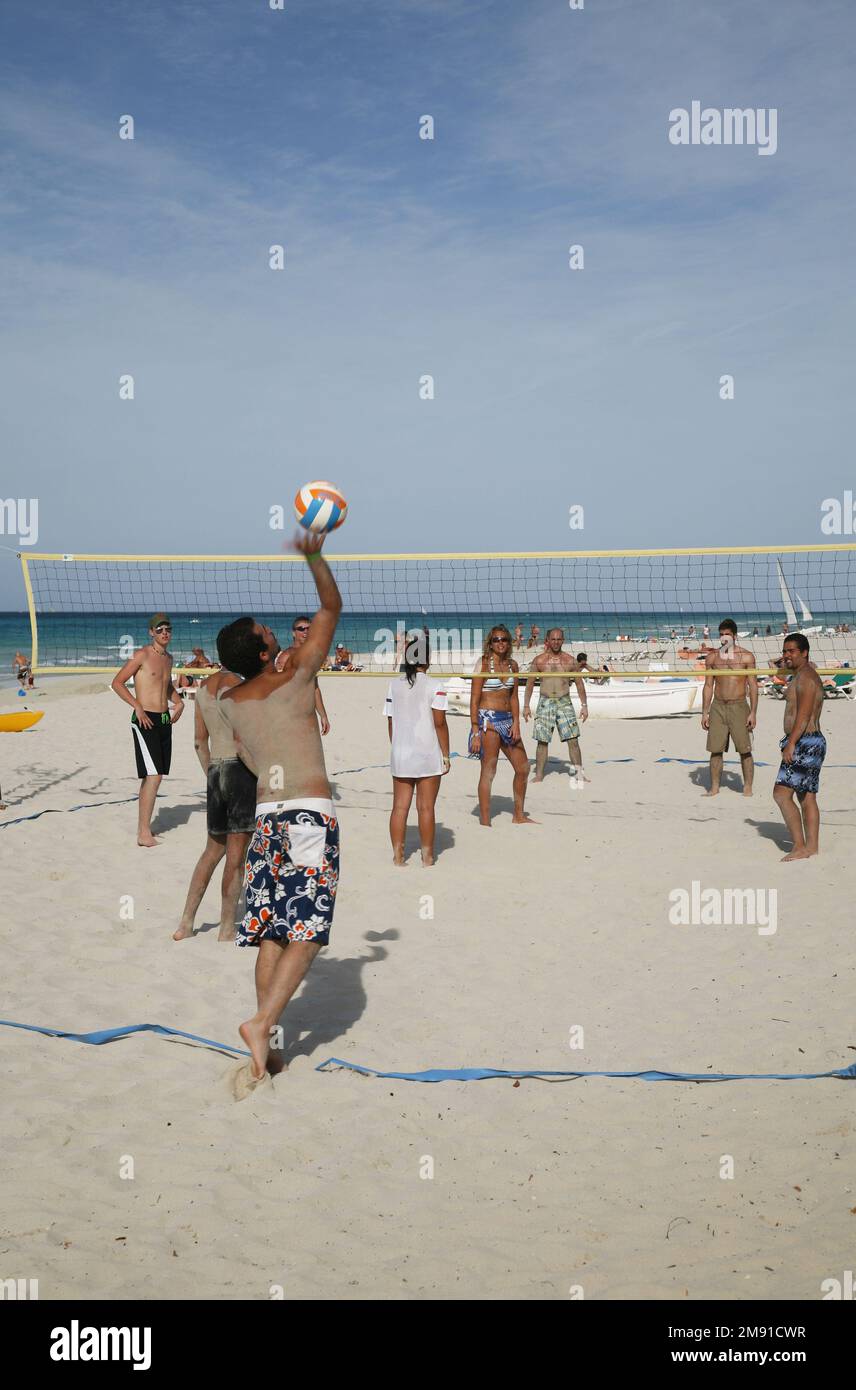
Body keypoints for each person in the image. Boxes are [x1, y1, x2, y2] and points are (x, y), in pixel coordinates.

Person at [217, 532, 341, 1081]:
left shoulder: (230, 701)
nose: (274, 628)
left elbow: (245, 755)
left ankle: (262, 1056)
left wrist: (274, 665)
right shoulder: (294, 677)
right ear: (267, 650)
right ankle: (262, 1023)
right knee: (309, 932)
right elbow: (331, 607)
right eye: (268, 632)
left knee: (271, 930)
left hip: (267, 818)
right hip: (308, 814)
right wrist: (313, 554)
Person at [172, 662, 257, 942]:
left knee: (211, 850)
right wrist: (258, 775)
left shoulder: (204, 687)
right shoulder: (239, 684)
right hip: (239, 770)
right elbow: (242, 740)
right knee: (236, 855)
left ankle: (186, 922)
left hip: (216, 770)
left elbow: (199, 742)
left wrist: (212, 775)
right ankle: (227, 927)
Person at [111, 614, 183, 846]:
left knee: (155, 776)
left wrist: (179, 702)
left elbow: (166, 685)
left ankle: (145, 829)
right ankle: (143, 833)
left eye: (168, 629)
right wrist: (137, 706)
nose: (164, 633)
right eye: (160, 629)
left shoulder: (168, 658)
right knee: (154, 775)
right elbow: (117, 682)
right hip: (145, 720)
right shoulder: (142, 654)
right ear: (151, 632)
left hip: (163, 719)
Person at [384, 632, 450, 866]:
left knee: (399, 808)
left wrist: (398, 747)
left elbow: (391, 722)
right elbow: (440, 723)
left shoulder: (394, 685)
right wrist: (446, 754)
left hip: (401, 753)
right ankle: (427, 857)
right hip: (427, 753)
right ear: (427, 660)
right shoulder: (435, 685)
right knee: (425, 807)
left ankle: (398, 857)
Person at [469, 624, 533, 826]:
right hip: (488, 720)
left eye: (504, 639)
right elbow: (474, 699)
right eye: (496, 640)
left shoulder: (513, 665)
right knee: (489, 771)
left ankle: (519, 815)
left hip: (507, 720)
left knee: (523, 767)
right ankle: (485, 821)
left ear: (509, 642)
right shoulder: (484, 664)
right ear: (490, 643)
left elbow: (513, 697)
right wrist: (475, 730)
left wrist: (516, 722)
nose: (500, 643)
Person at [773, 634, 826, 861]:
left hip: (805, 741)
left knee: (781, 794)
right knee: (807, 797)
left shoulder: (806, 677)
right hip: (811, 741)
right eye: (785, 651)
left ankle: (799, 846)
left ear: (804, 652)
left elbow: (803, 715)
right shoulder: (802, 673)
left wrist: (791, 743)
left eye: (792, 651)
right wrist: (784, 662)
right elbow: (779, 669)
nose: (787, 655)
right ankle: (811, 847)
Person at [700, 619, 757, 797]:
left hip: (739, 706)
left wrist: (753, 713)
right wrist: (704, 712)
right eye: (722, 634)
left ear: (735, 636)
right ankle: (715, 787)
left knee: (745, 750)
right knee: (715, 750)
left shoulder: (746, 656)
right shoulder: (713, 657)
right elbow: (708, 686)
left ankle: (747, 786)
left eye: (728, 634)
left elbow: (753, 686)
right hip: (718, 706)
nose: (724, 638)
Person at [523, 629, 589, 783]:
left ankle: (579, 773)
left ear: (563, 640)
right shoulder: (539, 661)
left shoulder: (570, 661)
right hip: (545, 702)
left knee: (573, 740)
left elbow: (579, 684)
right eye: (553, 639)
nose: (556, 642)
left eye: (559, 639)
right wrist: (526, 706)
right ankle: (539, 775)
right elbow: (530, 684)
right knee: (542, 741)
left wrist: (584, 705)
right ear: (547, 640)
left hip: (564, 702)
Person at [274, 615, 331, 733]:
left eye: (309, 629)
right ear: (294, 633)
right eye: (301, 629)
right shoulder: (286, 656)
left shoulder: (312, 656)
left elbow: (314, 688)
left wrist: (323, 716)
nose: (305, 631)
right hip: (289, 714)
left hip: (307, 714)